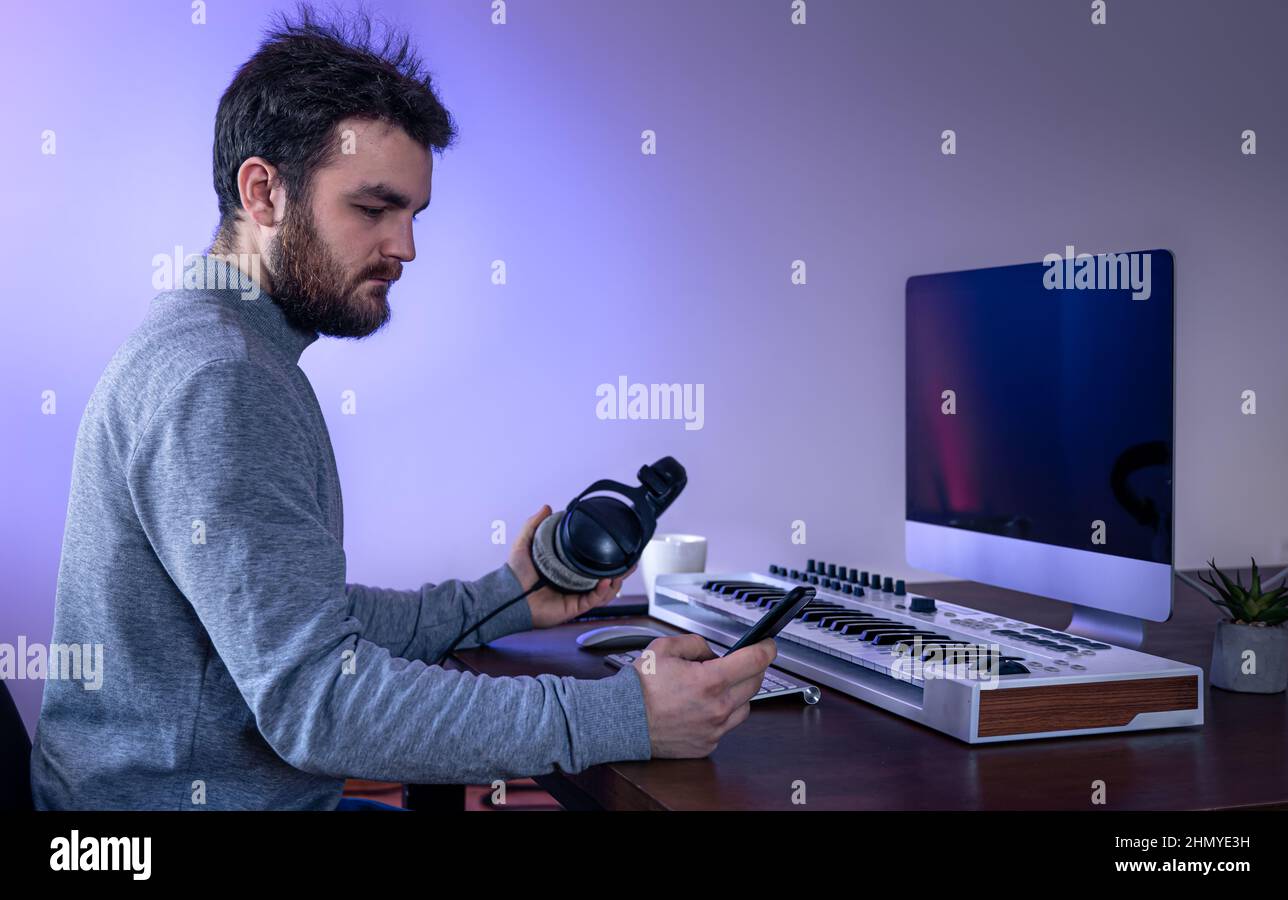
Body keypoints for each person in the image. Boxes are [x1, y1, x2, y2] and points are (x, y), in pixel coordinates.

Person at [28, 5, 773, 811]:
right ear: (263, 192)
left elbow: (298, 620)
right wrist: (624, 714)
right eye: (373, 208)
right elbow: (321, 703)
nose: (406, 248)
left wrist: (504, 597)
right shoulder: (221, 380)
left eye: (414, 215)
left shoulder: (218, 343)